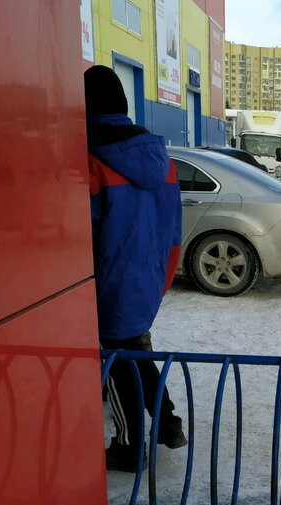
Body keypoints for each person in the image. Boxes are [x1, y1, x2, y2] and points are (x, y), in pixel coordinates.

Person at [84, 65, 186, 471]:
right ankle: (168, 422)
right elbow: (174, 231)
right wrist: (161, 279)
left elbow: (83, 235)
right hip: (147, 278)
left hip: (106, 282)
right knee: (136, 350)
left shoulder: (91, 163)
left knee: (115, 362)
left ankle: (129, 446)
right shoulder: (164, 162)